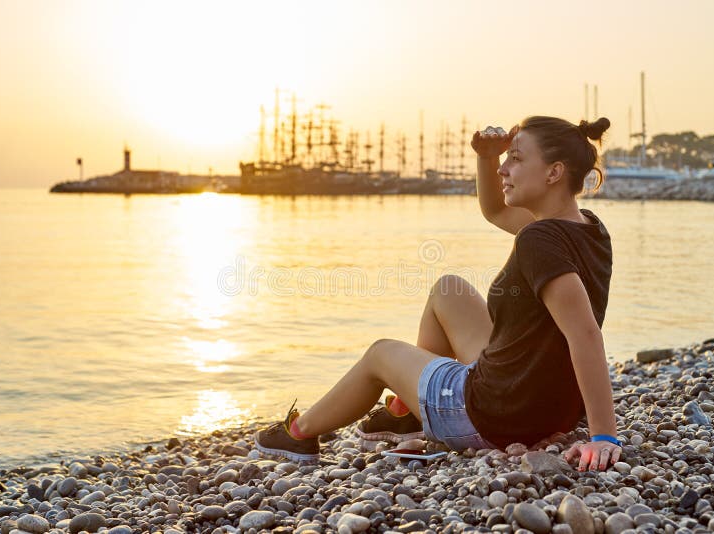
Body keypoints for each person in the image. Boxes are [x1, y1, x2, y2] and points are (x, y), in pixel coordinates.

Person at [254, 115, 621, 472]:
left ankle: (297, 435)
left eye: (516, 158)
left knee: (380, 354)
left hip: (497, 415)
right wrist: (485, 155)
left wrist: (604, 435)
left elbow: (584, 334)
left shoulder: (538, 239)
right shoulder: (588, 228)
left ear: (554, 172)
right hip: (539, 404)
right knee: (449, 290)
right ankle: (404, 412)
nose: (503, 169)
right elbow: (494, 210)